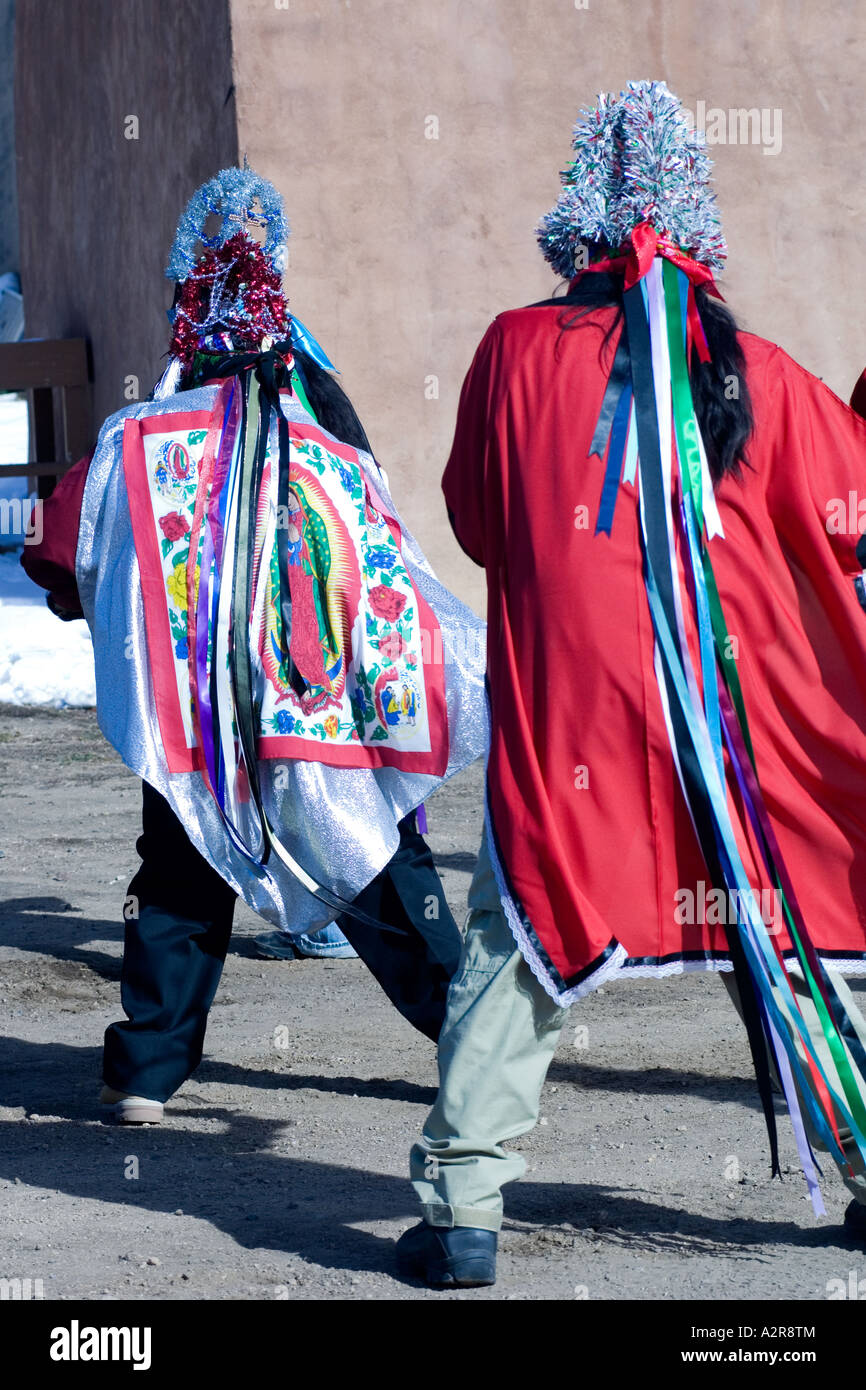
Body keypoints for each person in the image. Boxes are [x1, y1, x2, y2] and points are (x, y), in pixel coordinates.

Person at [398, 80, 866, 1289]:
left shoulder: (510, 350)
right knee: (780, 928)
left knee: (522, 931)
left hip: (577, 721)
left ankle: (462, 1209)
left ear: (579, 219)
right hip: (733, 722)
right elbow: (845, 506)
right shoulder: (754, 368)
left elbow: (477, 514)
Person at [23, 168, 487, 1124]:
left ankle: (144, 1074)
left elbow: (68, 551)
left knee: (182, 872)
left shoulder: (137, 437)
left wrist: (106, 605)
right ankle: (477, 1044)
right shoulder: (333, 448)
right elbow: (388, 575)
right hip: (325, 718)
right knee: (382, 868)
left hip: (193, 719)